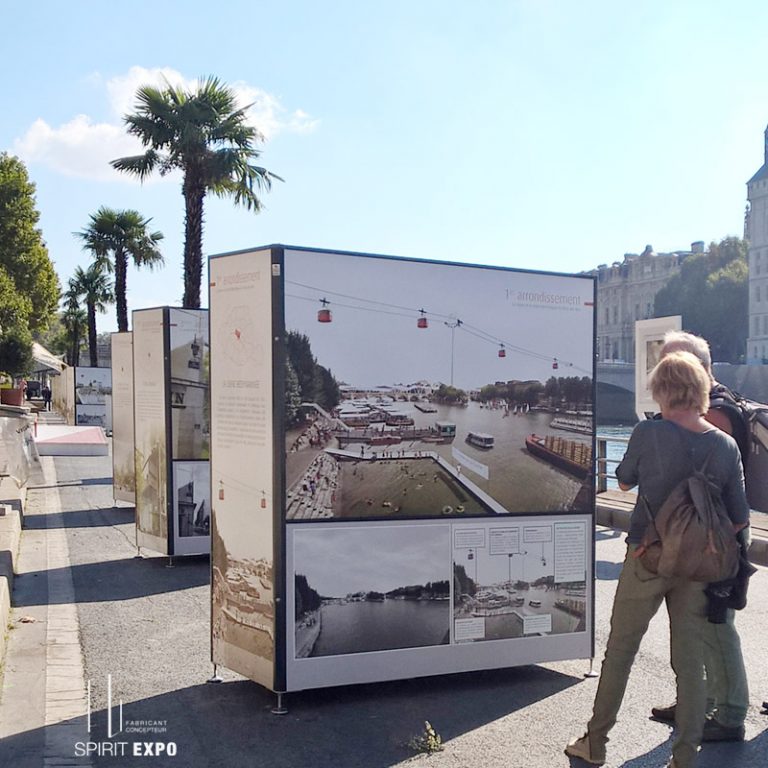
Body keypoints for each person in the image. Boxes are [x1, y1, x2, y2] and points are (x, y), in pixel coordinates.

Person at [565, 351, 749, 768]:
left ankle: (595, 744)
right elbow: (739, 520)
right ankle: (684, 756)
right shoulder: (725, 445)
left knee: (621, 650)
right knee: (690, 662)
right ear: (701, 389)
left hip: (647, 556)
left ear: (662, 391)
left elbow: (625, 480)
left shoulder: (648, 434)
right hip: (699, 566)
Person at [650, 331, 751, 742]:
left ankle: (729, 715)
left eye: (674, 367)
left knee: (716, 625)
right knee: (697, 626)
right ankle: (700, 700)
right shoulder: (705, 410)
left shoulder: (717, 416)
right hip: (701, 538)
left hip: (717, 542)